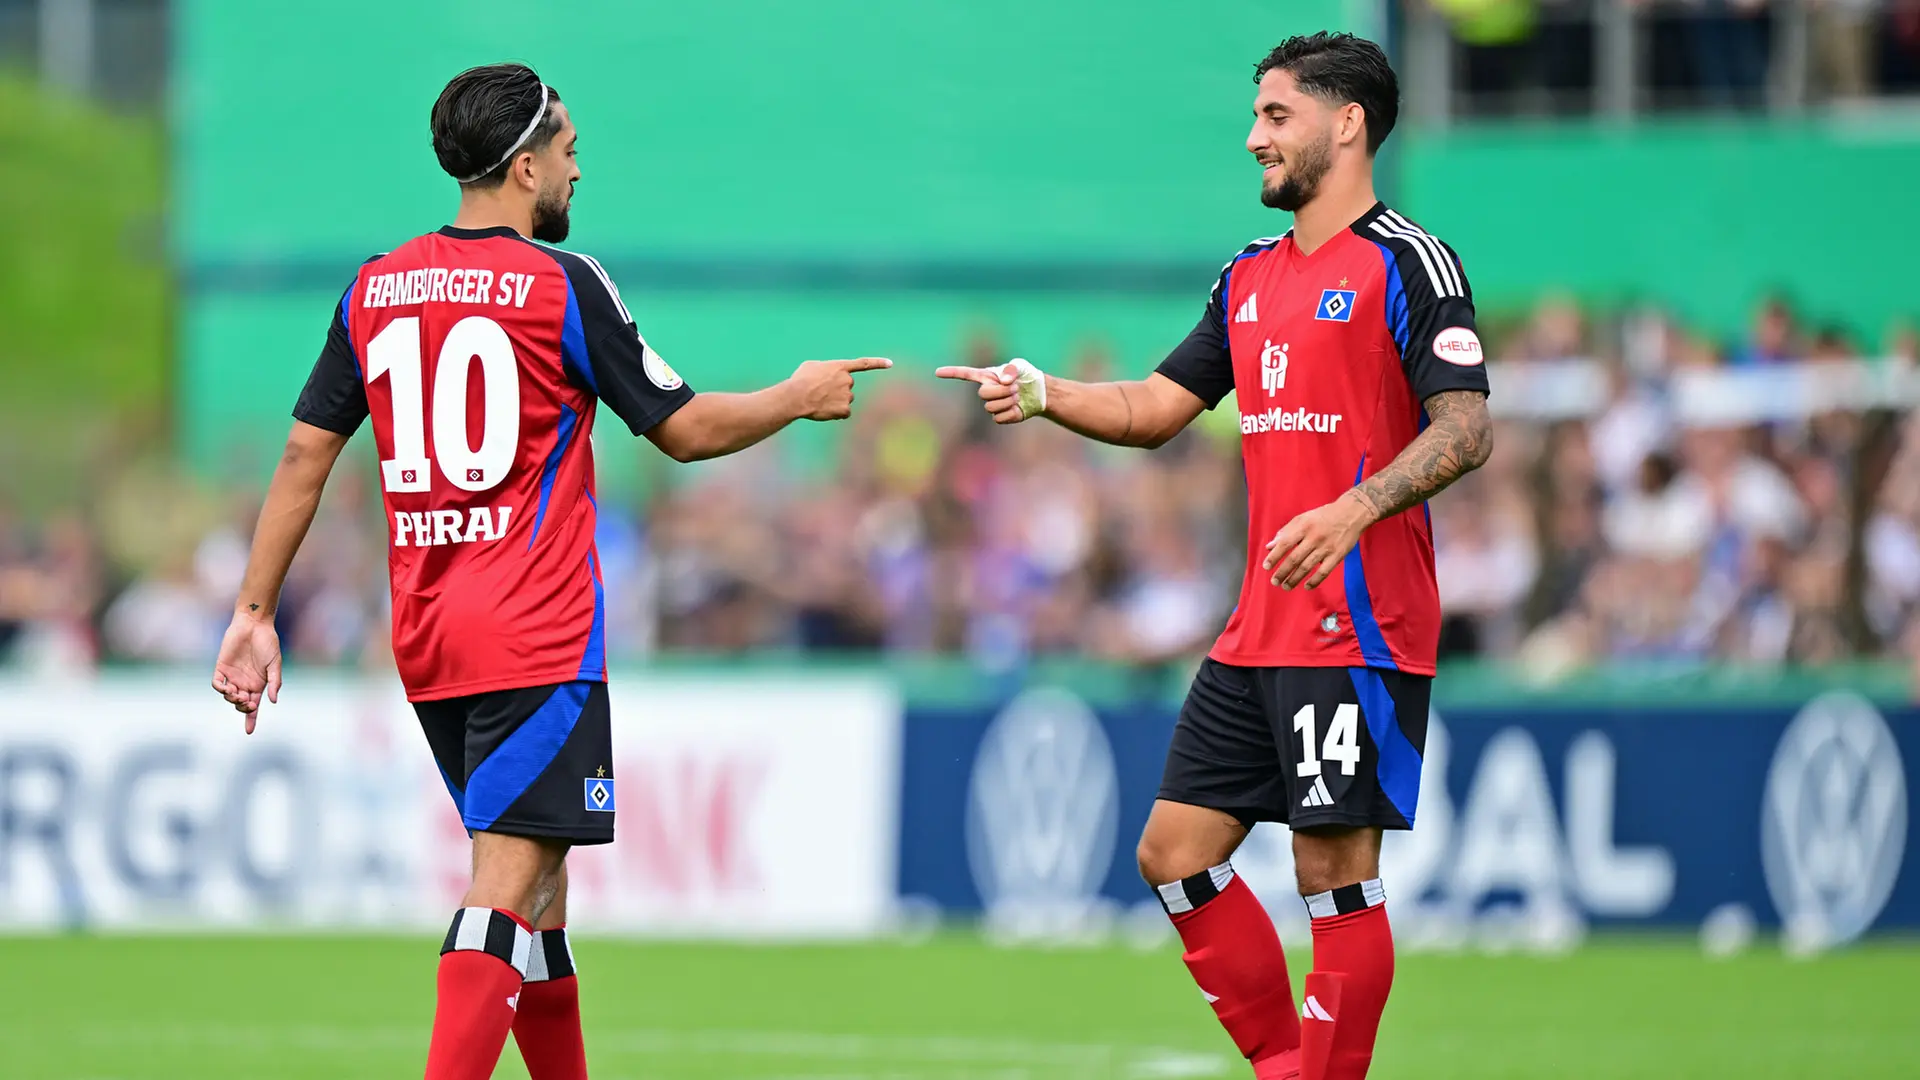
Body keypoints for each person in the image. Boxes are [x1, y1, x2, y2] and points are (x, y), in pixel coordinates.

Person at [209, 62, 889, 1080]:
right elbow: (686, 430)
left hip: (431, 640)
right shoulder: (562, 286)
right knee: (502, 889)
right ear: (525, 168)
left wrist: (254, 610)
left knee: (541, 892)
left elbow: (307, 453)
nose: (581, 167)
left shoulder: (376, 286)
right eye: (569, 151)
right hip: (535, 634)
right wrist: (797, 394)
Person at [938, 33, 1491, 1080]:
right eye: (1255, 117)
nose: (1253, 138)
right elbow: (1155, 407)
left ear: (1347, 123)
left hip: (1357, 622)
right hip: (1257, 628)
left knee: (1332, 874)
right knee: (1174, 854)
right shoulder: (1247, 277)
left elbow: (1467, 429)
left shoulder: (1409, 262)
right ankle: (1290, 1066)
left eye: (1276, 117)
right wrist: (1048, 392)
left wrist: (1352, 510)